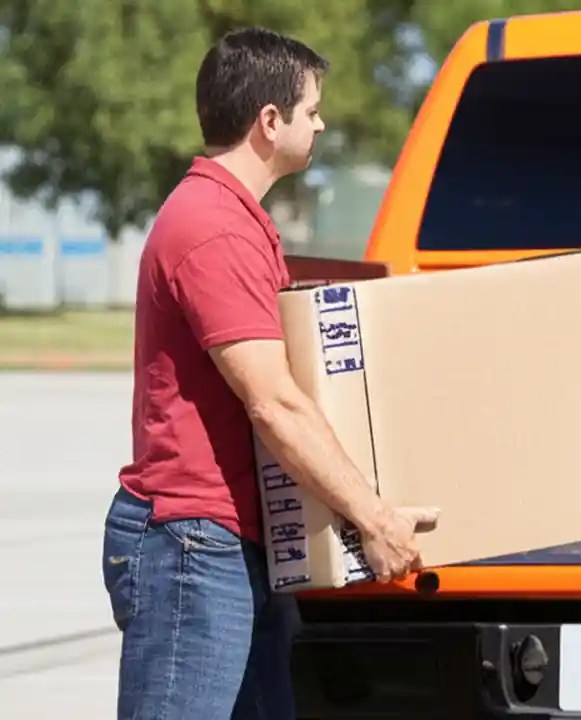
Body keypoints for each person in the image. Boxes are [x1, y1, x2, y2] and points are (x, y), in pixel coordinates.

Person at [100, 27, 438, 719]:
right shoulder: (214, 228)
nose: (321, 124)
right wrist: (371, 518)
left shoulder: (234, 218)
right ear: (269, 121)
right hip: (193, 549)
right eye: (312, 111)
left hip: (232, 544)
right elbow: (273, 403)